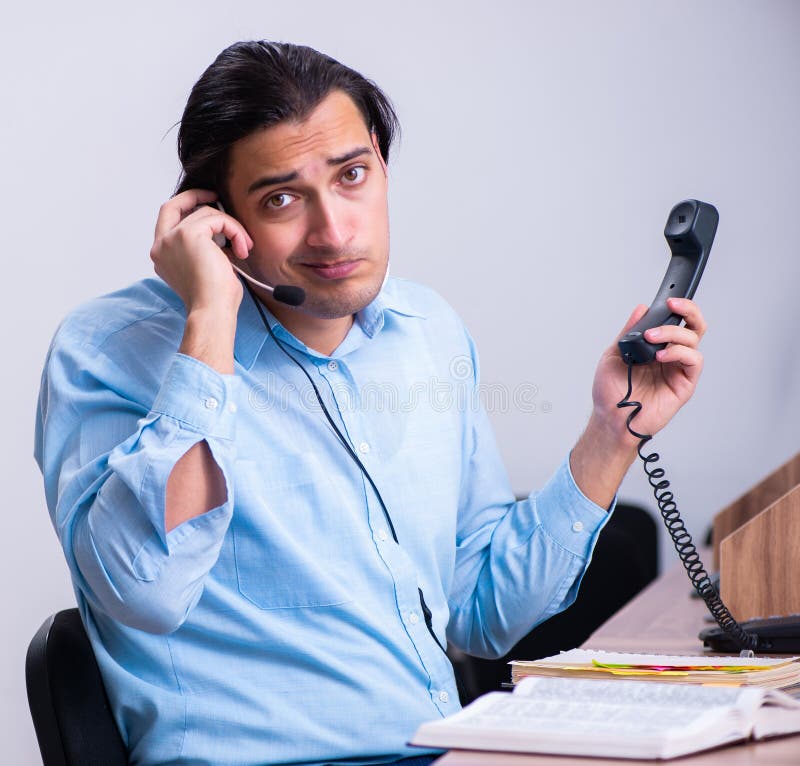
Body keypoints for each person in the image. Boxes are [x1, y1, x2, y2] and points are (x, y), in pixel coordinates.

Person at [34, 41, 706, 766]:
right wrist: (209, 319)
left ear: (382, 165)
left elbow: (482, 611)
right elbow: (145, 590)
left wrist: (612, 432)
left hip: (447, 753)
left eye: (352, 176)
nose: (334, 230)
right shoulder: (108, 351)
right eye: (282, 198)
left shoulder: (426, 331)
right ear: (214, 218)